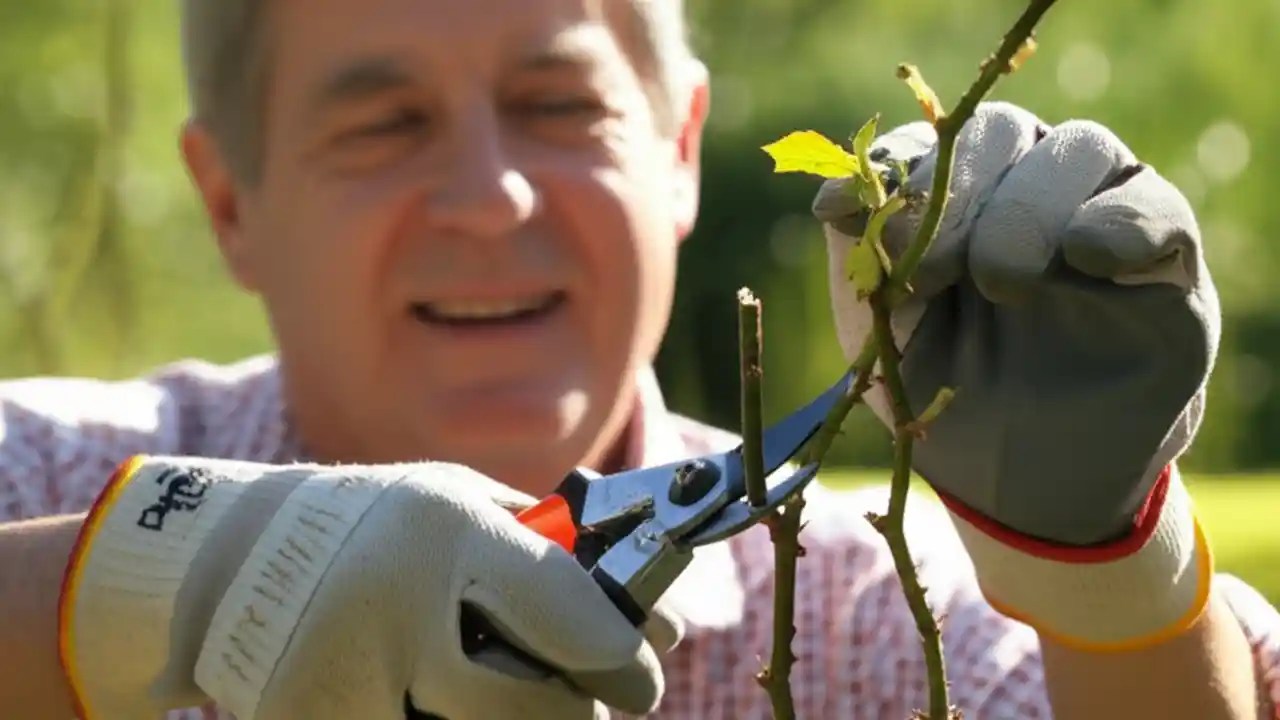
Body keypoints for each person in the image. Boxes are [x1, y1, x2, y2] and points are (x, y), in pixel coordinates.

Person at [1, 0, 1277, 717]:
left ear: (678, 148)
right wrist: (136, 576)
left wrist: (1110, 589)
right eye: (383, 125)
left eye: (562, 107)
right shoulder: (45, 476)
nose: (490, 198)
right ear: (230, 203)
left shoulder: (891, 621)